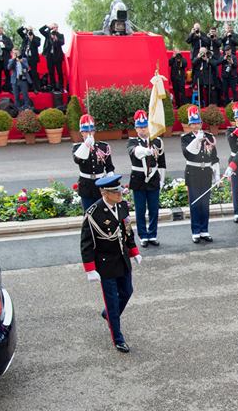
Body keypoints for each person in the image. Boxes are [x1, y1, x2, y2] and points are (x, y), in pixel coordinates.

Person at [81, 173, 142, 353]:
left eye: (119, 190)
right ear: (105, 193)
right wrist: (90, 269)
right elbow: (86, 242)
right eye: (116, 192)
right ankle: (118, 338)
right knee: (112, 302)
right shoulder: (93, 213)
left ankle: (108, 315)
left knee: (127, 291)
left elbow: (127, 230)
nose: (120, 194)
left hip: (122, 258)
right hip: (105, 262)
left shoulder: (122, 205)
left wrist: (134, 251)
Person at [178, 105, 219, 244]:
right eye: (193, 123)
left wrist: (217, 175)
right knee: (195, 203)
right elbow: (188, 154)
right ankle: (195, 231)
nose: (196, 126)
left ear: (201, 123)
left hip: (206, 173)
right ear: (189, 125)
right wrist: (197, 140)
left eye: (198, 123)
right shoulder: (186, 138)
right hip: (193, 173)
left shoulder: (209, 137)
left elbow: (214, 157)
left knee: (205, 203)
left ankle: (204, 230)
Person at [127, 110, 167, 247]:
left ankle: (153, 234)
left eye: (144, 127)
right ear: (136, 128)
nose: (142, 130)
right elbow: (135, 152)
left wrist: (162, 180)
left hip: (154, 178)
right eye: (139, 127)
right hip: (138, 179)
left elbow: (162, 163)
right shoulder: (132, 141)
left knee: (154, 209)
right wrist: (146, 151)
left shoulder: (157, 141)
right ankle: (143, 236)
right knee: (140, 210)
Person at [72, 114, 115, 211]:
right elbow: (77, 160)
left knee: (103, 214)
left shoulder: (103, 147)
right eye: (86, 131)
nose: (89, 134)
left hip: (101, 184)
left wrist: (111, 179)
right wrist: (86, 146)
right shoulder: (77, 147)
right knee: (88, 214)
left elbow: (109, 167)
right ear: (81, 133)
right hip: (86, 185)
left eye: (91, 131)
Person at [39, 23, 65, 92]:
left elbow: (62, 42)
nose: (54, 29)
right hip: (50, 57)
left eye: (56, 27)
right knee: (51, 72)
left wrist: (56, 39)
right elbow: (40, 30)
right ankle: (52, 86)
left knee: (59, 72)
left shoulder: (60, 35)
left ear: (57, 28)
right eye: (53, 27)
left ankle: (61, 87)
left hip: (58, 56)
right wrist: (48, 27)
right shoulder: (48, 34)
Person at [16, 26, 41, 91]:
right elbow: (18, 31)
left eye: (31, 30)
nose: (29, 32)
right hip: (24, 58)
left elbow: (38, 44)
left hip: (33, 58)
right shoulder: (25, 37)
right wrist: (24, 27)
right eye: (28, 30)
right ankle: (23, 88)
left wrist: (32, 38)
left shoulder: (37, 38)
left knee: (34, 73)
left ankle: (35, 88)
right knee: (22, 72)